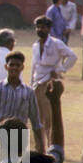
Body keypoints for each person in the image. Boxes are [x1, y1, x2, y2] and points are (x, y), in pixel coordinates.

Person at [30, 14, 76, 151]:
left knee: (48, 119)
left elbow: (72, 56)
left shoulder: (56, 43)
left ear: (49, 29)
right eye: (38, 27)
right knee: (36, 119)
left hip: (49, 83)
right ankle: (39, 148)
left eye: (43, 27)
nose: (40, 30)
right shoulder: (35, 45)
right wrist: (30, 83)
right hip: (37, 84)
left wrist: (60, 70)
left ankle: (52, 148)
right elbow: (34, 66)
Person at [0, 50, 43, 153]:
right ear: (6, 67)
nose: (14, 68)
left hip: (19, 138)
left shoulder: (29, 92)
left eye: (17, 65)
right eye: (11, 65)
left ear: (22, 67)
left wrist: (41, 146)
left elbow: (36, 121)